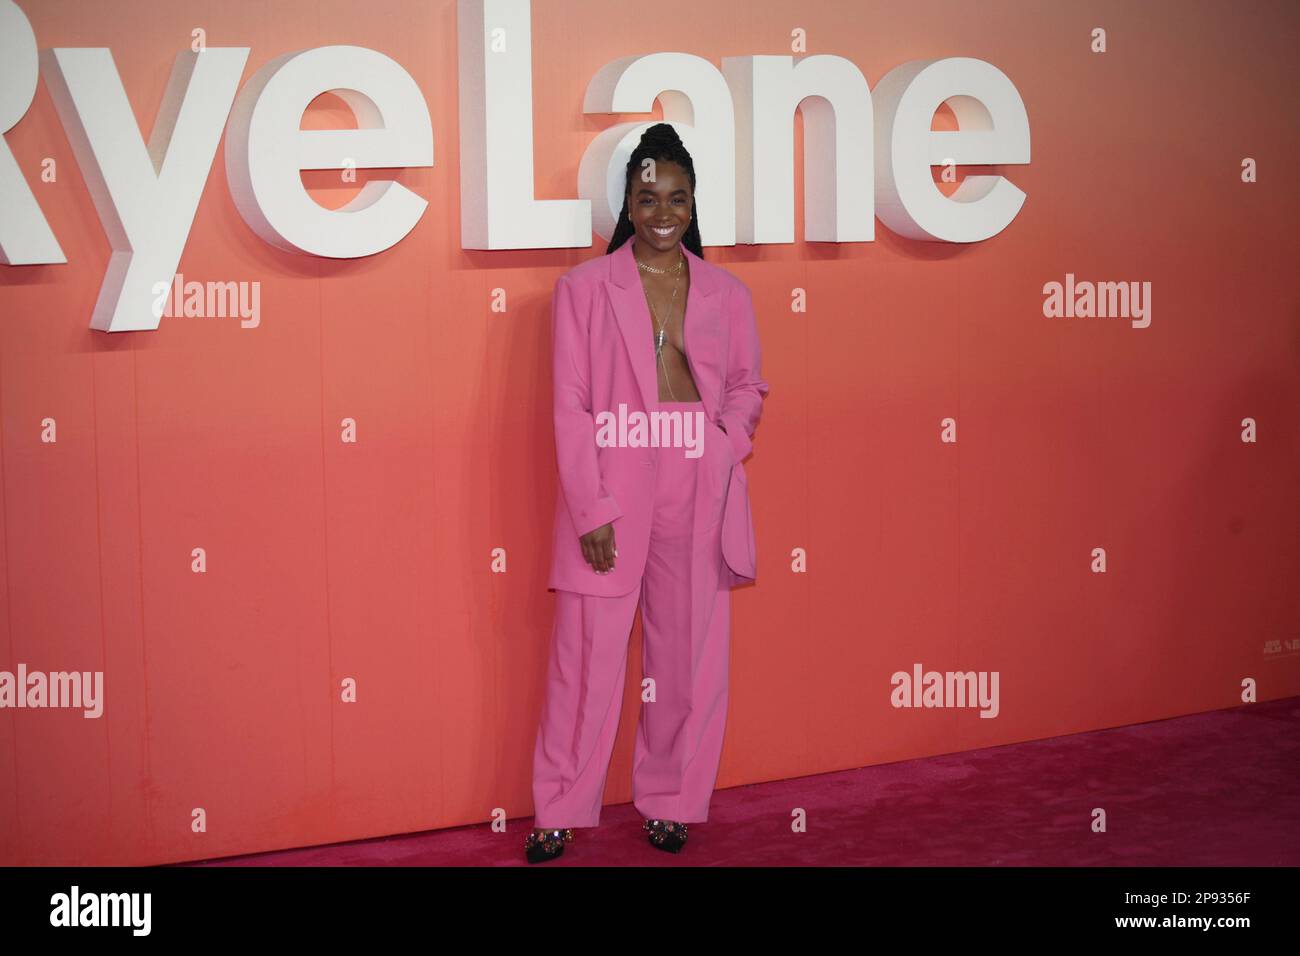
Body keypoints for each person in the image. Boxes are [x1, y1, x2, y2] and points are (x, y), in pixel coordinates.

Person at [525, 123, 769, 863]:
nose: (663, 210)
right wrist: (592, 507)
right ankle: (559, 807)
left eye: (677, 197)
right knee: (586, 653)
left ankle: (672, 802)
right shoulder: (582, 290)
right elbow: (569, 404)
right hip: (617, 471)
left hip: (698, 473)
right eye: (647, 196)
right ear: (626, 205)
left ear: (694, 205)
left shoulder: (728, 292)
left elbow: (746, 386)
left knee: (687, 656)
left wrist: (723, 447)